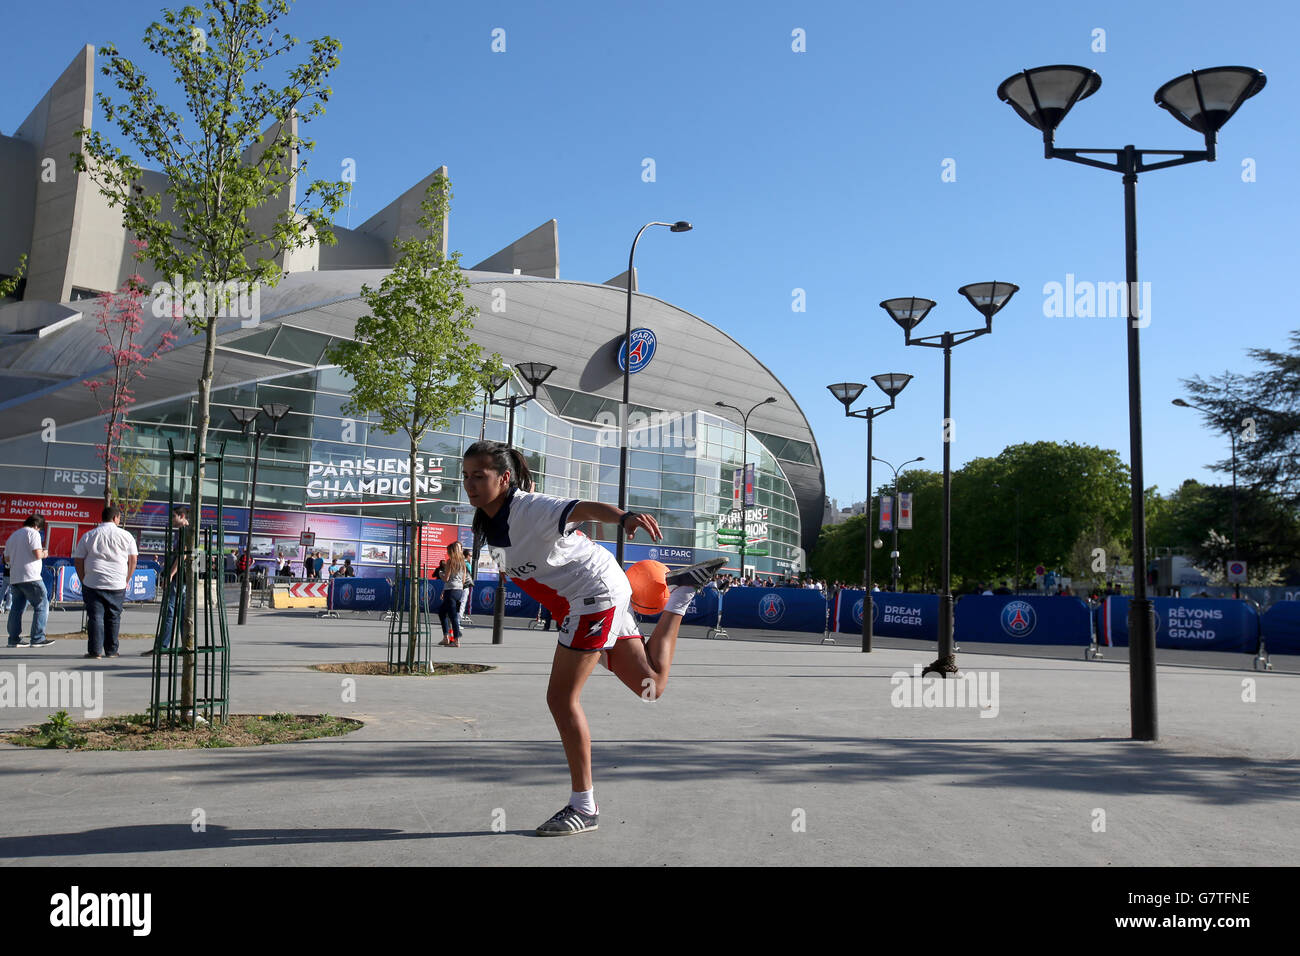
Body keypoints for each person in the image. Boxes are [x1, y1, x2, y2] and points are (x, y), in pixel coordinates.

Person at [463, 440, 723, 837]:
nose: (470, 484)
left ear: (504, 477)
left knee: (560, 698)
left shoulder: (530, 507)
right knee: (650, 688)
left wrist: (624, 516)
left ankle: (584, 805)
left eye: (479, 476)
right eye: (465, 477)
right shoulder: (486, 520)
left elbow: (581, 508)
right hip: (591, 594)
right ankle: (682, 592)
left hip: (593, 594)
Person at [73, 504, 139, 659]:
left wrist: (84, 579)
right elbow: (133, 560)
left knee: (95, 617)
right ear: (115, 518)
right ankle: (111, 651)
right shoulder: (126, 535)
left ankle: (95, 651)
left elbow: (78, 560)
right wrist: (126, 579)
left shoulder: (89, 535)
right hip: (117, 582)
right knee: (114, 616)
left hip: (93, 581)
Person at [144, 505, 190, 655]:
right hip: (183, 578)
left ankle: (163, 645)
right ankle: (186, 644)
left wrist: (170, 574)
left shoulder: (185, 532)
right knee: (182, 612)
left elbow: (182, 554)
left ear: (182, 516)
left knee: (170, 610)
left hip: (178, 577)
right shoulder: (187, 532)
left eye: (173, 516)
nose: (171, 519)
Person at [5, 514, 54, 648]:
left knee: (16, 608)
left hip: (15, 577)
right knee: (41, 604)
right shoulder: (33, 533)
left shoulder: (13, 536)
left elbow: (6, 559)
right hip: (31, 576)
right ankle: (37, 638)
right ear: (37, 526)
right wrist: (45, 553)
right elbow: (37, 554)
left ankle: (13, 639)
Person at [437, 542, 469, 647]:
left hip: (450, 591)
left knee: (452, 616)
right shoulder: (463, 563)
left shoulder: (450, 562)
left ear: (451, 551)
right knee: (443, 612)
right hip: (459, 591)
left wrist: (440, 574)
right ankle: (446, 637)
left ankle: (455, 639)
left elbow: (446, 578)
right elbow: (464, 580)